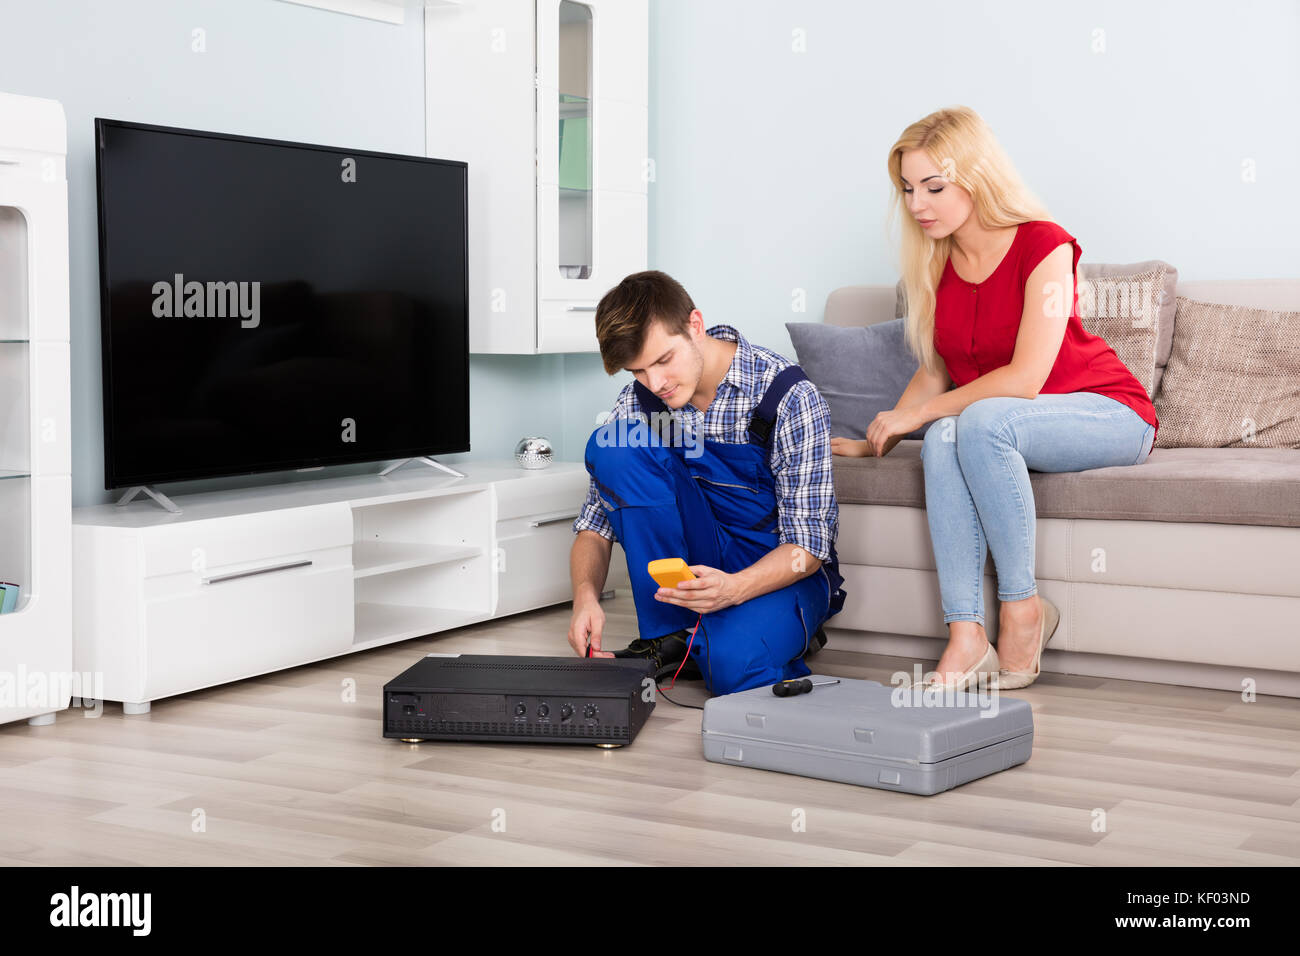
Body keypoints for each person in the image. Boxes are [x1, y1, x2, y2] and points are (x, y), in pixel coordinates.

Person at [832, 106, 1158, 692]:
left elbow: (1027, 377)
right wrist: (881, 435)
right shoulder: (935, 264)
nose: (916, 204)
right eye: (907, 189)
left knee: (975, 422)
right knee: (948, 433)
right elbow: (935, 376)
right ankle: (966, 637)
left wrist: (921, 412)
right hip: (1002, 421)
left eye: (934, 186)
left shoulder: (1047, 246)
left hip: (1106, 410)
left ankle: (1023, 608)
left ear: (976, 177)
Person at [568, 270, 847, 695]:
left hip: (777, 570)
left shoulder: (786, 396)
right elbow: (596, 524)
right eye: (639, 371)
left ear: (695, 326)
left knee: (734, 666)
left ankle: (754, 633)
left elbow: (808, 548)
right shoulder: (641, 400)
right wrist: (585, 595)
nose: (655, 383)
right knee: (614, 446)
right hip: (698, 563)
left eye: (664, 360)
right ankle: (674, 634)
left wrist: (734, 588)